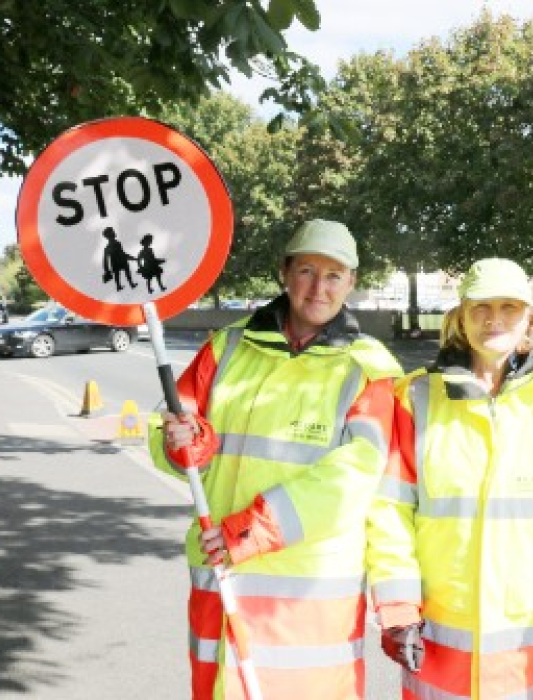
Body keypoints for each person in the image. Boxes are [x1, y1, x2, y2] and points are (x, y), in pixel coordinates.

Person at [148, 219, 403, 699]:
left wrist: (250, 531)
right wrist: (186, 443)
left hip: (308, 594)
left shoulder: (368, 369)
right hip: (221, 579)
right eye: (307, 270)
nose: (319, 287)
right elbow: (174, 426)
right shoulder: (225, 348)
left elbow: (354, 477)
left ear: (351, 282)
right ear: (284, 273)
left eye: (333, 275)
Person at [366, 258, 533, 699]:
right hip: (438, 643)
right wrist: (399, 608)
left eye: (508, 307)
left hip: (530, 647)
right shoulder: (416, 398)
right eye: (481, 306)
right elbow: (389, 510)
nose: (493, 319)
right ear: (460, 316)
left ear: (530, 319)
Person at [101, 227, 138, 291]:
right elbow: (105, 260)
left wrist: (133, 258)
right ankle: (122, 286)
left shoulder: (113, 245)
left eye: (113, 231)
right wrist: (106, 271)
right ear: (109, 235)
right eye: (112, 232)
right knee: (119, 274)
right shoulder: (109, 247)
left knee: (124, 273)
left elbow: (105, 260)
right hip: (119, 262)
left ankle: (128, 284)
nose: (114, 232)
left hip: (120, 262)